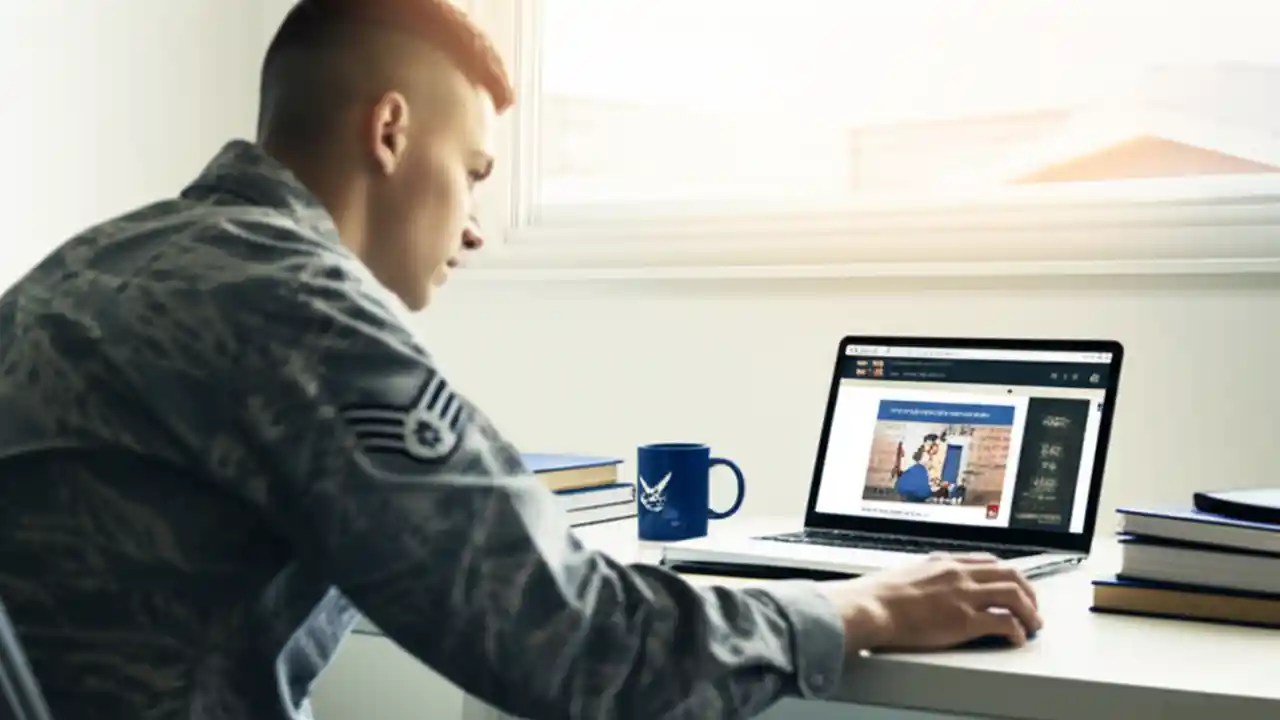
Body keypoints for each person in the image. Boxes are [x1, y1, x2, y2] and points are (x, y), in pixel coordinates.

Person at [0, 1, 1042, 718]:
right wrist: (854, 605)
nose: (476, 226)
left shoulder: (85, 270)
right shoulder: (295, 308)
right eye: (472, 171)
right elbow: (578, 649)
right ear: (391, 132)